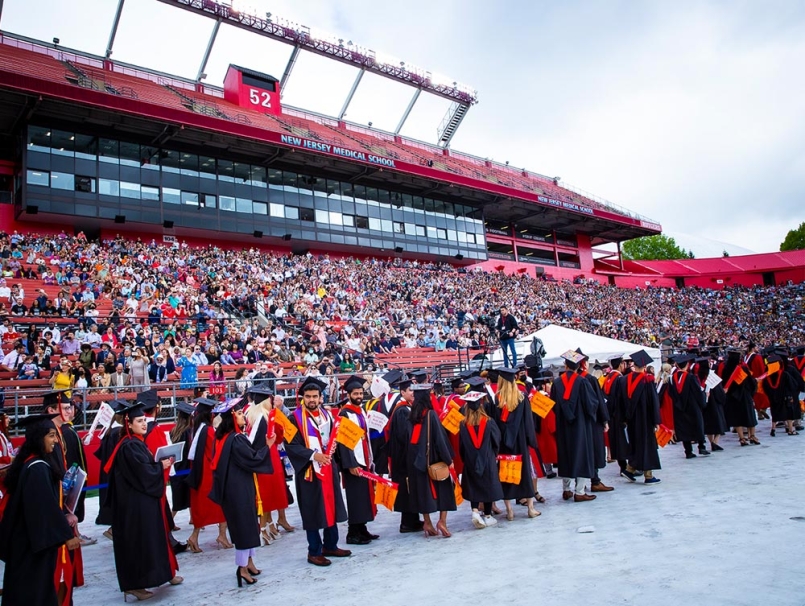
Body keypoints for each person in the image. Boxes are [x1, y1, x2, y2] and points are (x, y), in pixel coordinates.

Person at [0, 413, 81, 606]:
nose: (55, 440)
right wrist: (66, 535)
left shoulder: (30, 462)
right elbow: (43, 508)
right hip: (32, 547)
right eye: (51, 435)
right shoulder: (37, 468)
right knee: (33, 592)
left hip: (26, 543)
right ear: (39, 437)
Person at [105, 402, 182, 602]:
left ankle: (163, 574)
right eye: (139, 421)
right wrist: (160, 466)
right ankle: (135, 585)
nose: (144, 424)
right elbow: (144, 474)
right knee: (138, 544)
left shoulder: (135, 442)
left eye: (144, 420)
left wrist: (158, 465)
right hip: (134, 506)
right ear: (129, 424)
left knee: (152, 541)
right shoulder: (130, 446)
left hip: (141, 503)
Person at [284, 376, 350, 567]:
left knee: (331, 505)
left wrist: (332, 448)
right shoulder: (294, 418)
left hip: (328, 468)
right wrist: (314, 456)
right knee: (313, 509)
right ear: (302, 397)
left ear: (321, 397)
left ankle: (330, 545)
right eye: (308, 396)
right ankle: (314, 551)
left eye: (315, 396)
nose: (312, 400)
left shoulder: (327, 415)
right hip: (309, 471)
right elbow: (291, 446)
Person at [208, 397, 272, 588]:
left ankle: (250, 563)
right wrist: (267, 446)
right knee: (245, 528)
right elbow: (252, 458)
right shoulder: (236, 439)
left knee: (248, 526)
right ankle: (242, 568)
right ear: (231, 418)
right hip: (239, 490)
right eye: (238, 413)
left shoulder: (224, 438)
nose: (243, 415)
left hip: (234, 489)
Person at [245, 385, 294, 546]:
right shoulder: (262, 418)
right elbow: (266, 440)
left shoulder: (257, 416)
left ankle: (269, 525)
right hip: (266, 459)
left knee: (270, 495)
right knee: (266, 496)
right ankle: (264, 528)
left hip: (268, 456)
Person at [406, 383, 456, 536]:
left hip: (416, 461)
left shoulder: (411, 416)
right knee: (445, 490)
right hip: (433, 459)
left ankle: (427, 522)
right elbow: (440, 440)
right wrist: (448, 460)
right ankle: (442, 522)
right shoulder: (431, 415)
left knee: (422, 492)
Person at [336, 375, 379, 545]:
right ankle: (352, 533)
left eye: (361, 393)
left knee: (364, 497)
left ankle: (362, 529)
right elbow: (344, 442)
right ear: (348, 395)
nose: (359, 396)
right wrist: (350, 464)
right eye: (355, 394)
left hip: (365, 459)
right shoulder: (345, 413)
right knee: (356, 498)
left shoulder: (361, 410)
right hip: (354, 462)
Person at [550, 351, 598, 502]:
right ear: (579, 366)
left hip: (563, 425)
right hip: (580, 425)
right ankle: (579, 491)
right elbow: (591, 405)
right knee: (582, 454)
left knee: (566, 455)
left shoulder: (557, 383)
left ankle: (566, 489)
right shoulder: (582, 382)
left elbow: (552, 405)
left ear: (565, 365)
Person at [185, 397, 232, 553]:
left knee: (203, 509)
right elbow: (215, 453)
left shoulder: (197, 429)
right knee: (221, 504)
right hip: (208, 476)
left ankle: (196, 537)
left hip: (200, 474)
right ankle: (221, 536)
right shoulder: (208, 431)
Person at [494, 368, 540, 518]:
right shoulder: (522, 397)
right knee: (524, 473)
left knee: (506, 475)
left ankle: (510, 511)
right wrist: (531, 441)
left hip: (503, 444)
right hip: (519, 443)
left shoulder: (497, 399)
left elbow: (495, 424)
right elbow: (528, 423)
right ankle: (530, 509)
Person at [458, 386, 503, 529]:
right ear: (481, 405)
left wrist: (467, 458)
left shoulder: (463, 424)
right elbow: (496, 441)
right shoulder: (489, 422)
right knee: (487, 485)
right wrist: (493, 455)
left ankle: (475, 511)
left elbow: (461, 446)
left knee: (473, 485)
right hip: (488, 459)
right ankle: (488, 516)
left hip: (471, 460)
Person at [618, 350, 662, 484]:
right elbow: (653, 401)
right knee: (647, 444)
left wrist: (624, 418)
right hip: (645, 418)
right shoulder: (647, 379)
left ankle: (629, 469)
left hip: (631, 419)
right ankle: (648, 475)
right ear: (644, 366)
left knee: (635, 443)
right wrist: (656, 420)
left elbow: (621, 400)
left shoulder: (624, 380)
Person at [386, 374, 423, 533]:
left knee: (410, 489)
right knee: (406, 489)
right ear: (402, 392)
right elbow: (404, 436)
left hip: (406, 456)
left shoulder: (407, 408)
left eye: (414, 390)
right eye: (409, 390)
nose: (412, 393)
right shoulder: (401, 410)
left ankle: (413, 519)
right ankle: (407, 523)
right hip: (403, 457)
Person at [576, 350, 614, 493]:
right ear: (584, 363)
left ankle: (580, 484)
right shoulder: (589, 379)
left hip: (577, 424)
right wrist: (604, 419)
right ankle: (595, 481)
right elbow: (598, 401)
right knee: (593, 450)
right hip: (592, 422)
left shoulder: (568, 381)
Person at [364, 369, 409, 476]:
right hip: (395, 437)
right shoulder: (401, 399)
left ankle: (380, 482)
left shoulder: (369, 403)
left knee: (379, 463)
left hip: (376, 437)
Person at [669, 354, 709, 458]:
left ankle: (688, 451)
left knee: (683, 428)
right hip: (692, 407)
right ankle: (701, 447)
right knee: (697, 425)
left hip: (679, 408)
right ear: (687, 365)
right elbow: (697, 392)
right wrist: (703, 400)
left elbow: (670, 393)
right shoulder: (691, 377)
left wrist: (678, 402)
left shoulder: (672, 378)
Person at [717, 350, 759, 447]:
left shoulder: (726, 369)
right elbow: (751, 382)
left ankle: (742, 438)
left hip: (733, 397)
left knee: (737, 418)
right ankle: (752, 436)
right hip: (745, 395)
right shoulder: (743, 368)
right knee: (750, 416)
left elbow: (724, 383)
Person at [762, 354, 800, 436]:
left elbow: (765, 389)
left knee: (775, 413)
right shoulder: (784, 375)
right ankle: (790, 430)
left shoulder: (767, 377)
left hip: (773, 398)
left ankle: (773, 429)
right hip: (785, 397)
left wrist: (771, 395)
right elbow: (792, 385)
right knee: (789, 413)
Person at [169, 401, 194, 519]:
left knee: (182, 496)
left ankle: (192, 518)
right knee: (183, 498)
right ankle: (169, 521)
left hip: (176, 467)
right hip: (185, 468)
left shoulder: (173, 431)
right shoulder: (188, 431)